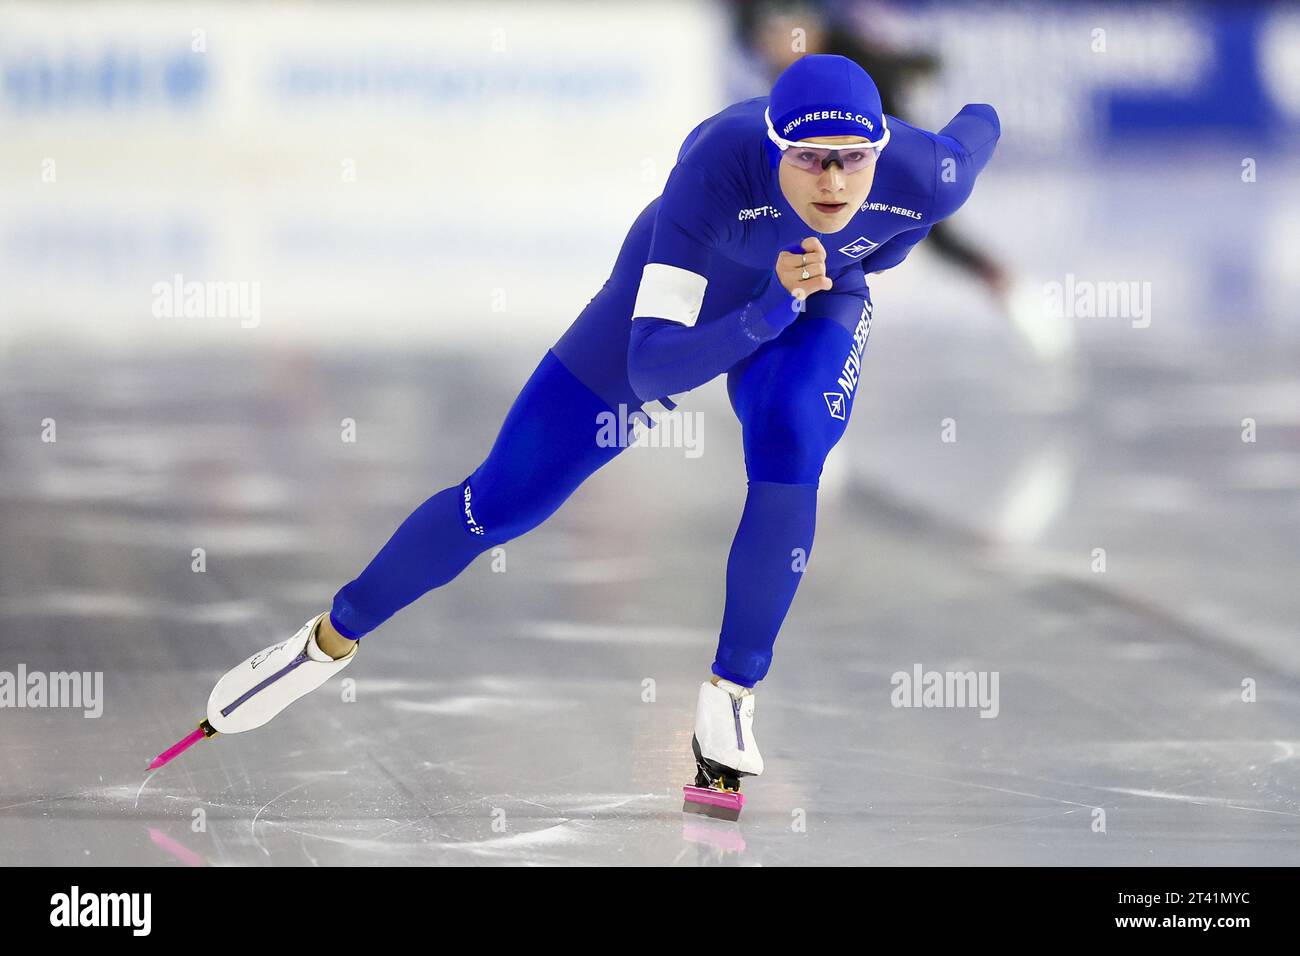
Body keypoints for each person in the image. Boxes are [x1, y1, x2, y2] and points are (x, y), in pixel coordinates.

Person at [201, 55, 1000, 801]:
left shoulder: (928, 177)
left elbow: (982, 121)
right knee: (503, 501)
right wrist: (766, 310)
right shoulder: (715, 174)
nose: (833, 181)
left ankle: (732, 693)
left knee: (792, 432)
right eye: (809, 158)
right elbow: (652, 367)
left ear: (882, 146)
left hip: (818, 297)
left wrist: (857, 266)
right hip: (707, 307)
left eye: (852, 159)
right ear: (773, 146)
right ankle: (327, 641)